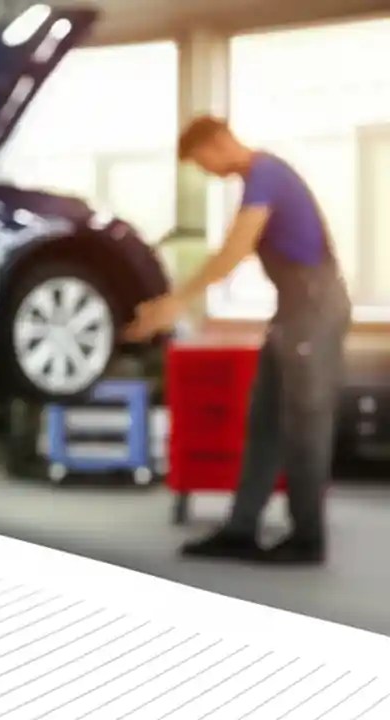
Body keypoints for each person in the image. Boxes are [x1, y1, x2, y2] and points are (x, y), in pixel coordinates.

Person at [126, 116, 352, 565]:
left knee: (304, 426)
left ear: (218, 143)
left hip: (313, 309)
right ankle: (240, 529)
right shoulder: (259, 177)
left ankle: (308, 539)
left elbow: (235, 248)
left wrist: (177, 302)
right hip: (292, 310)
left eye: (202, 162)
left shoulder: (265, 173)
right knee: (264, 420)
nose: (207, 173)